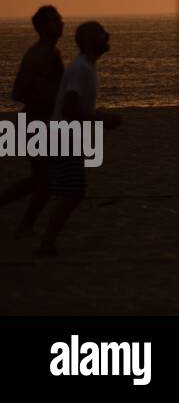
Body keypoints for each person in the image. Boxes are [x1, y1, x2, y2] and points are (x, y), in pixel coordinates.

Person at [37, 20, 121, 256]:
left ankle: (44, 239)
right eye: (102, 34)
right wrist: (101, 121)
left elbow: (78, 107)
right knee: (71, 191)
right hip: (64, 136)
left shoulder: (87, 67)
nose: (107, 36)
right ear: (88, 41)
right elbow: (70, 108)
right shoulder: (81, 68)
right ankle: (46, 243)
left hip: (66, 136)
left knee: (63, 188)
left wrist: (102, 116)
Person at [0, 5, 65, 237]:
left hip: (49, 123)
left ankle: (25, 225)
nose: (61, 22)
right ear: (43, 27)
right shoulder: (36, 55)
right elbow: (17, 93)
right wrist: (44, 93)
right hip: (37, 123)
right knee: (45, 180)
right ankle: (25, 226)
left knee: (43, 179)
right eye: (55, 20)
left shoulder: (53, 53)